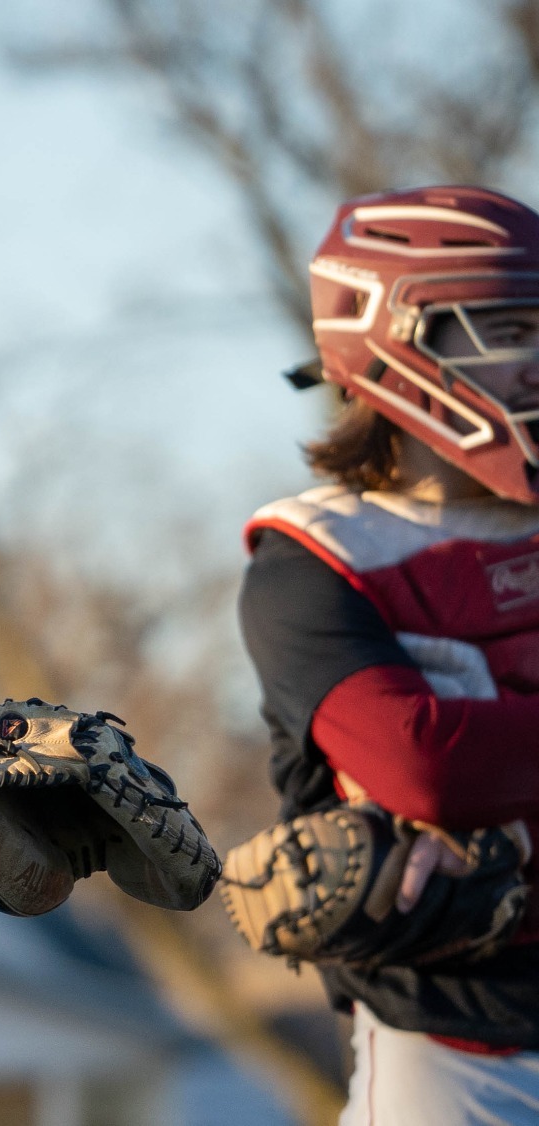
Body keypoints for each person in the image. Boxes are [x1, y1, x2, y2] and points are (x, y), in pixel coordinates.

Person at [240, 184, 539, 1124]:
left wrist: (514, 826)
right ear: (397, 342)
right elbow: (423, 764)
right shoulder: (310, 559)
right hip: (454, 1042)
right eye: (506, 327)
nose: (537, 359)